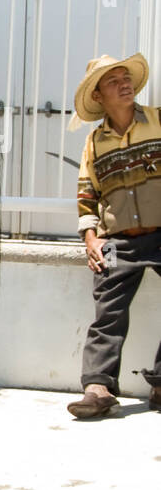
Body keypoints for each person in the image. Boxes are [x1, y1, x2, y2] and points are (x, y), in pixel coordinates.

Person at [67, 51, 161, 419]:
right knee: (109, 314)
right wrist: (91, 239)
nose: (125, 84)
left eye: (127, 78)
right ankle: (98, 388)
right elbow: (86, 196)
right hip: (119, 240)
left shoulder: (157, 121)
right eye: (113, 81)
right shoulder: (94, 142)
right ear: (98, 96)